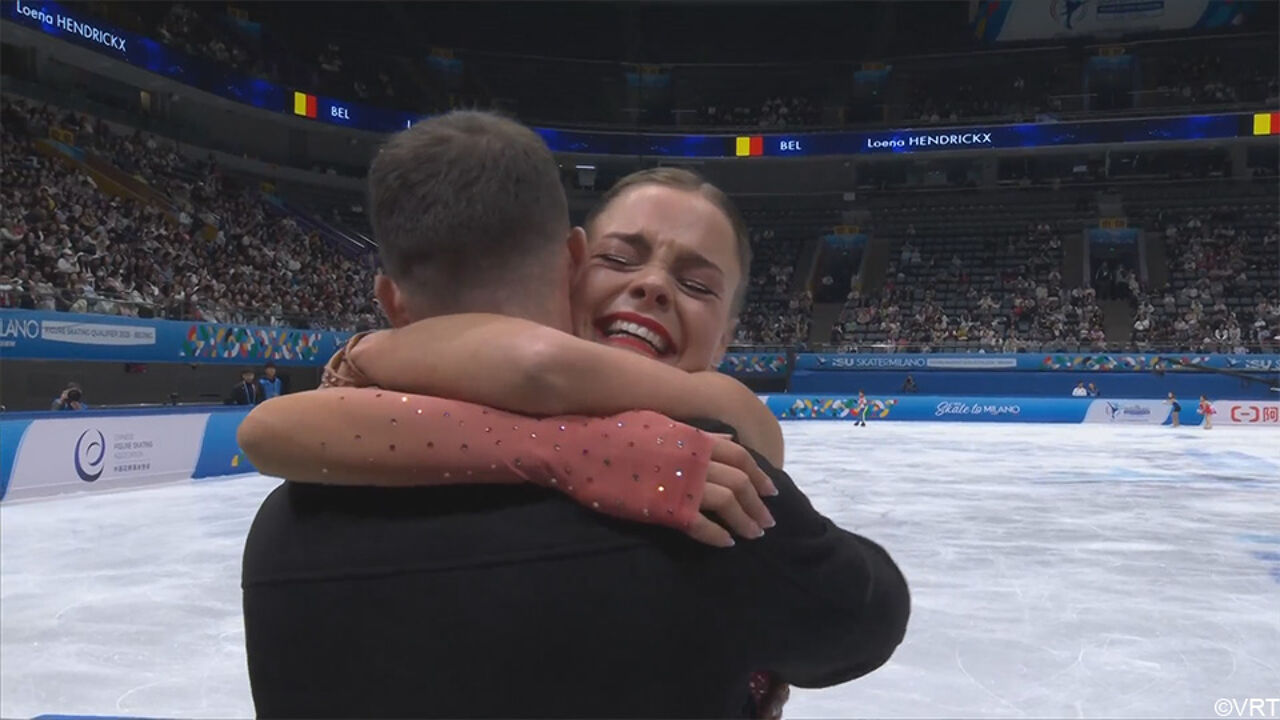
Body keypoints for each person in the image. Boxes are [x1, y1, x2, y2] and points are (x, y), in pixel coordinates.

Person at [240, 113, 909, 719]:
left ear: (729, 336)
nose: (651, 286)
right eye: (620, 258)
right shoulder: (706, 506)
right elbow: (863, 614)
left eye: (699, 283)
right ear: (570, 268)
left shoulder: (287, 521)